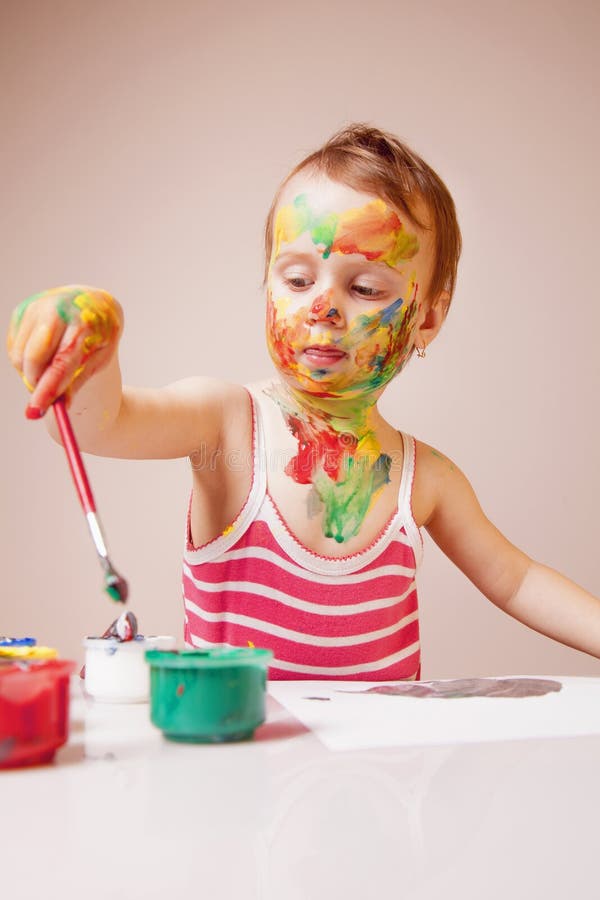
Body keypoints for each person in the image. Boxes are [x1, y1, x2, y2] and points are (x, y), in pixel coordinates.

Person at [7, 124, 600, 680]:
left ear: (428, 318)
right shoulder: (226, 425)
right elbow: (98, 425)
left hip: (379, 776)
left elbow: (517, 581)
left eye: (365, 287)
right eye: (296, 280)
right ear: (266, 283)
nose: (324, 307)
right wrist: (88, 346)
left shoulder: (428, 478)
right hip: (240, 765)